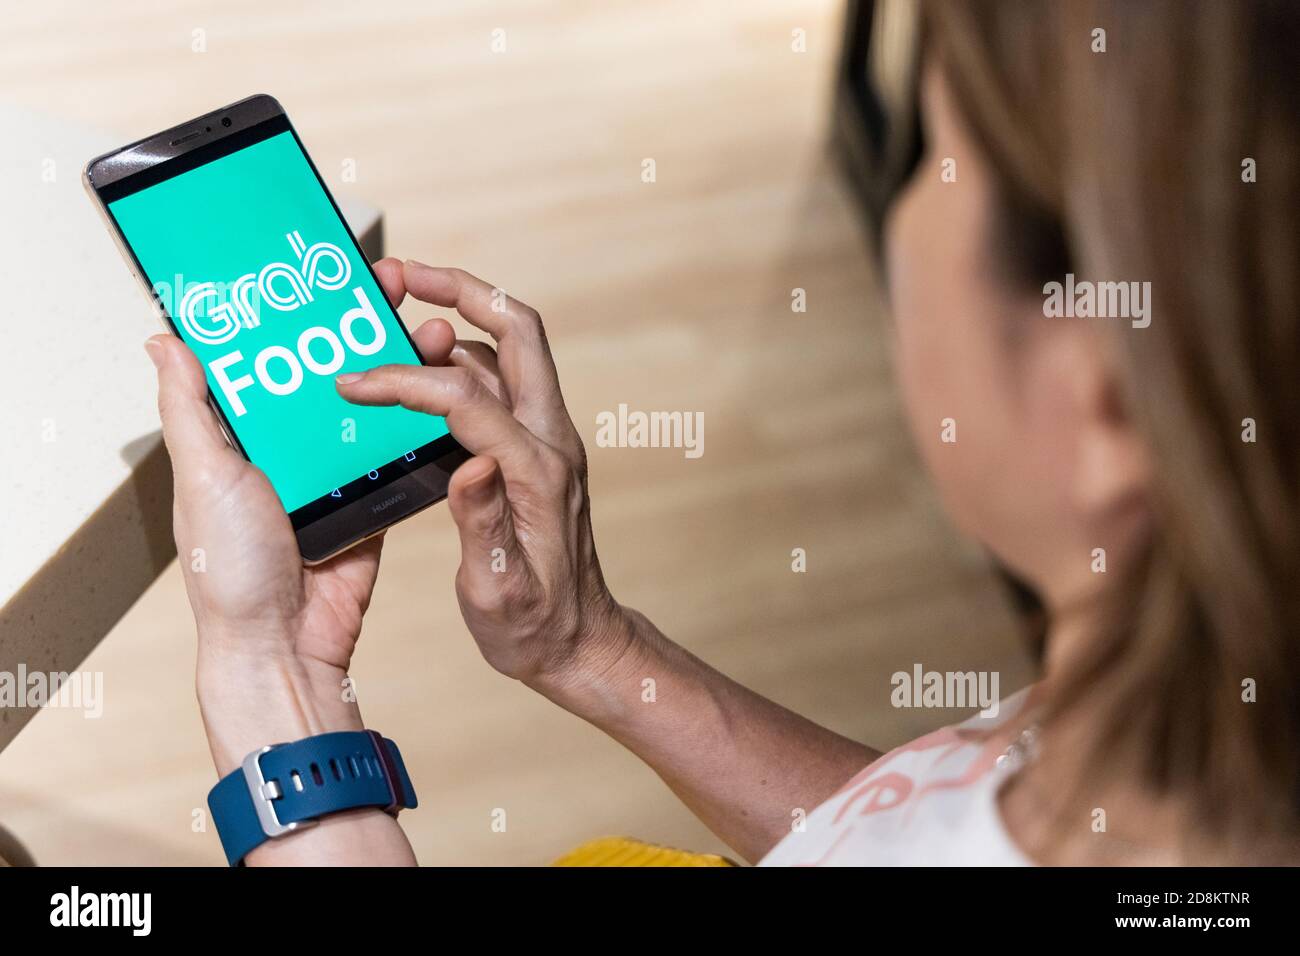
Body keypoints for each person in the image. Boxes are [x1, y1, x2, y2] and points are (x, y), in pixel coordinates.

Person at [143, 0, 1297, 866]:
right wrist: (587, 641)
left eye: (940, 156)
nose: (903, 212)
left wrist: (271, 673)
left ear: (1100, 394)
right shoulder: (1184, 724)